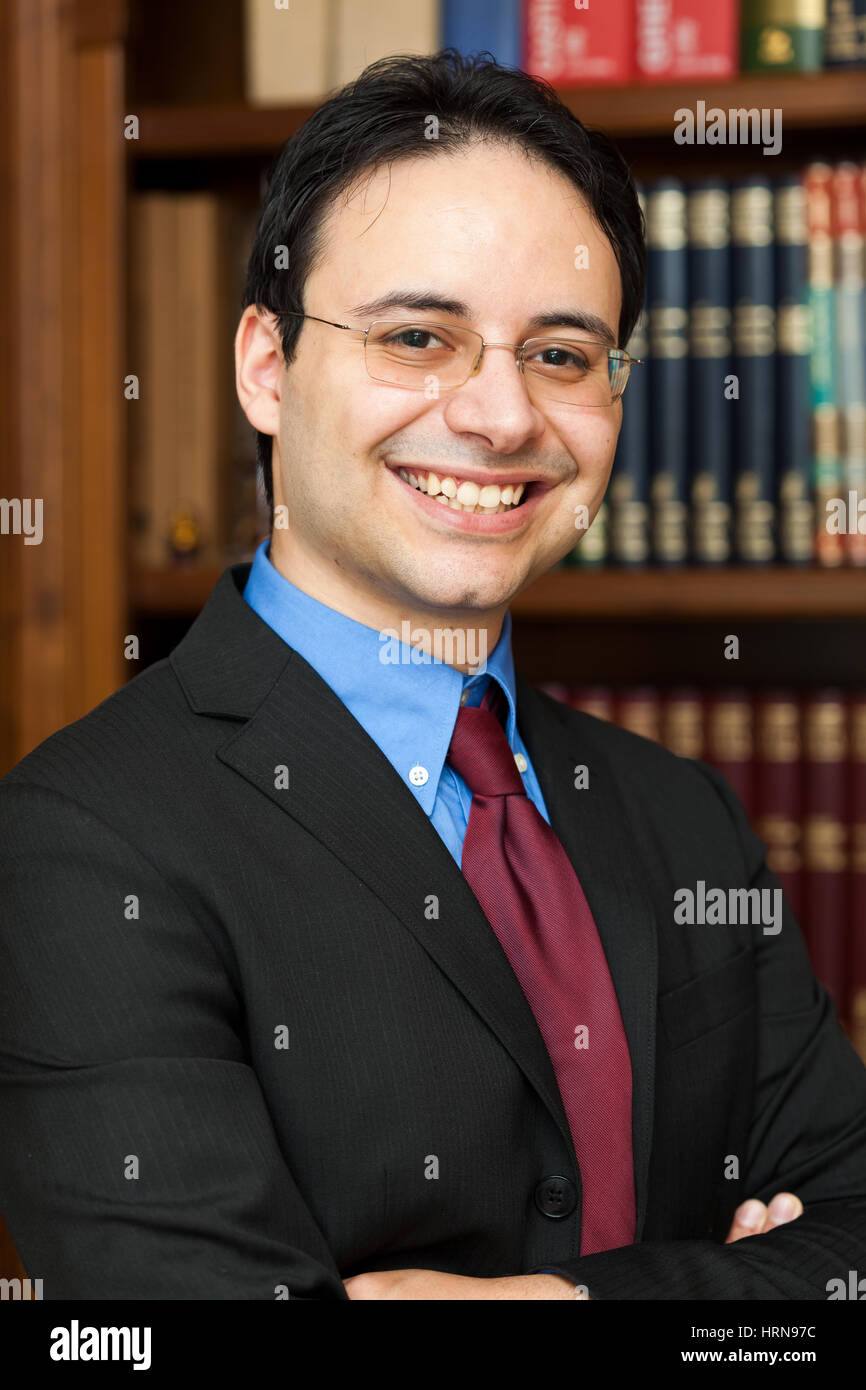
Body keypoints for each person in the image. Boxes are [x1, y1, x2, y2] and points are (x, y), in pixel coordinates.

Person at [0, 51, 864, 1301]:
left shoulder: (684, 820)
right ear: (266, 364)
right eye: (419, 337)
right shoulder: (81, 843)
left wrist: (572, 1303)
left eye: (562, 355)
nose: (501, 416)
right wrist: (728, 1292)